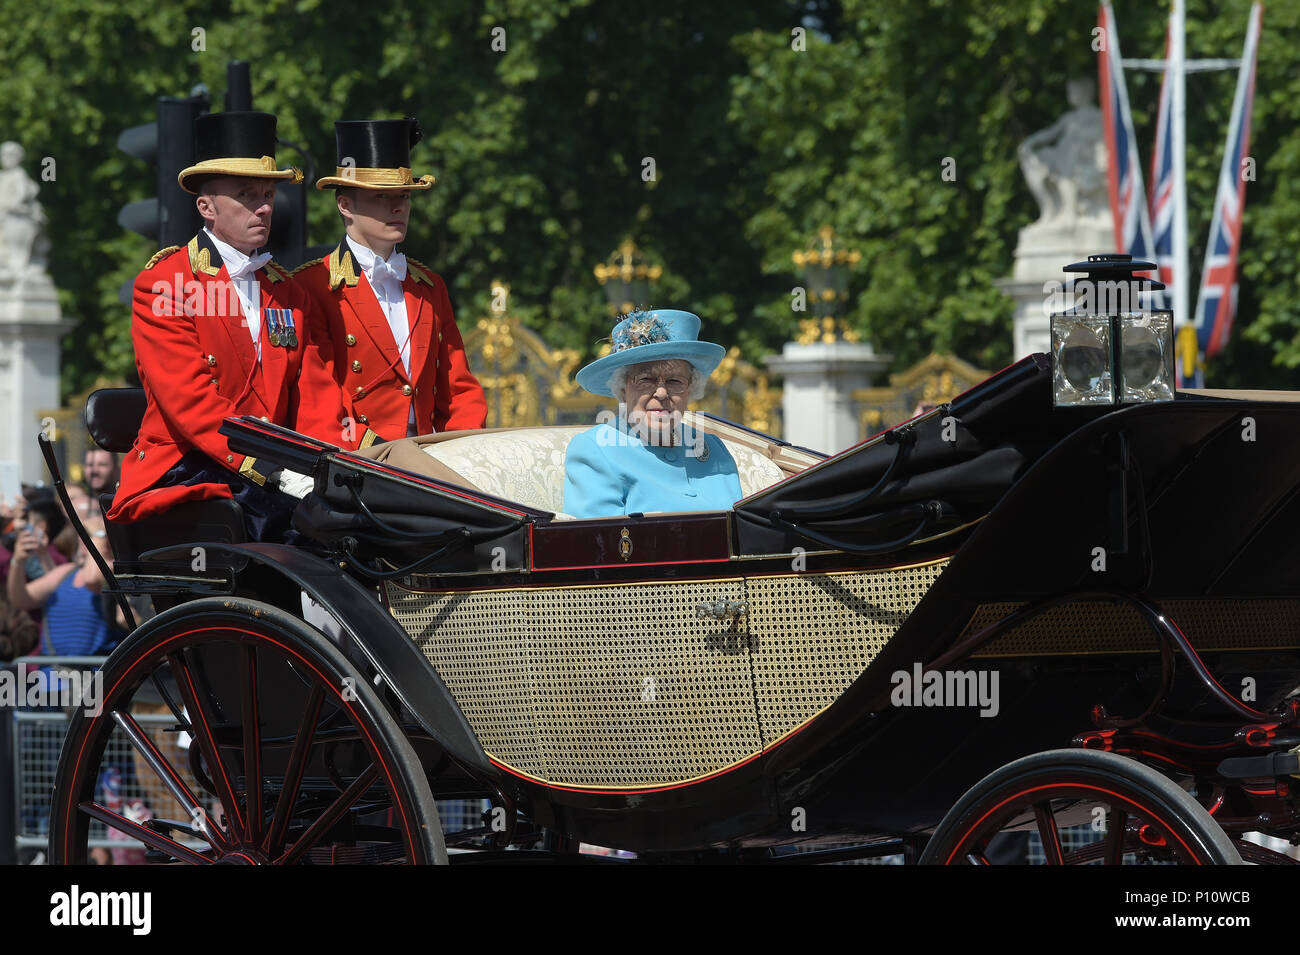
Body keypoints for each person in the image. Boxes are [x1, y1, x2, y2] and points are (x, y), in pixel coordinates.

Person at [105, 111, 349, 541]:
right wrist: (270, 467)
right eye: (246, 194)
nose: (265, 206)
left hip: (267, 472)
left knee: (356, 524)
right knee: (303, 533)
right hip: (189, 469)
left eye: (268, 193)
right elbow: (192, 405)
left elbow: (314, 397)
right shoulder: (166, 284)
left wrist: (337, 467)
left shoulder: (287, 291)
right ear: (207, 207)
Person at [293, 118, 486, 448]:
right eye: (382, 197)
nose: (399, 206)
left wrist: (464, 452)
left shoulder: (429, 287)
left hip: (427, 461)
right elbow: (319, 399)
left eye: (405, 196)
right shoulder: (313, 286)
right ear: (345, 205)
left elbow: (459, 390)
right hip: (357, 459)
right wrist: (381, 458)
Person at [562, 309, 742, 519]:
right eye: (646, 379)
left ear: (690, 391)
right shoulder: (596, 449)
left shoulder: (713, 449)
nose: (661, 392)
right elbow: (597, 542)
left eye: (675, 381)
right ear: (622, 390)